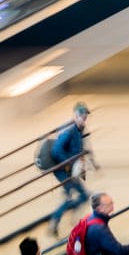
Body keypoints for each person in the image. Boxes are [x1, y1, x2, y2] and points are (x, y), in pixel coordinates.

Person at [49, 102, 99, 238]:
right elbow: (56, 151)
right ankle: (54, 223)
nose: (84, 117)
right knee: (69, 194)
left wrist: (93, 164)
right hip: (63, 170)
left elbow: (83, 149)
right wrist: (71, 164)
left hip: (71, 170)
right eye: (81, 115)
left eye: (85, 115)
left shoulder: (79, 130)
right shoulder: (69, 131)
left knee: (83, 195)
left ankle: (71, 215)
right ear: (75, 115)